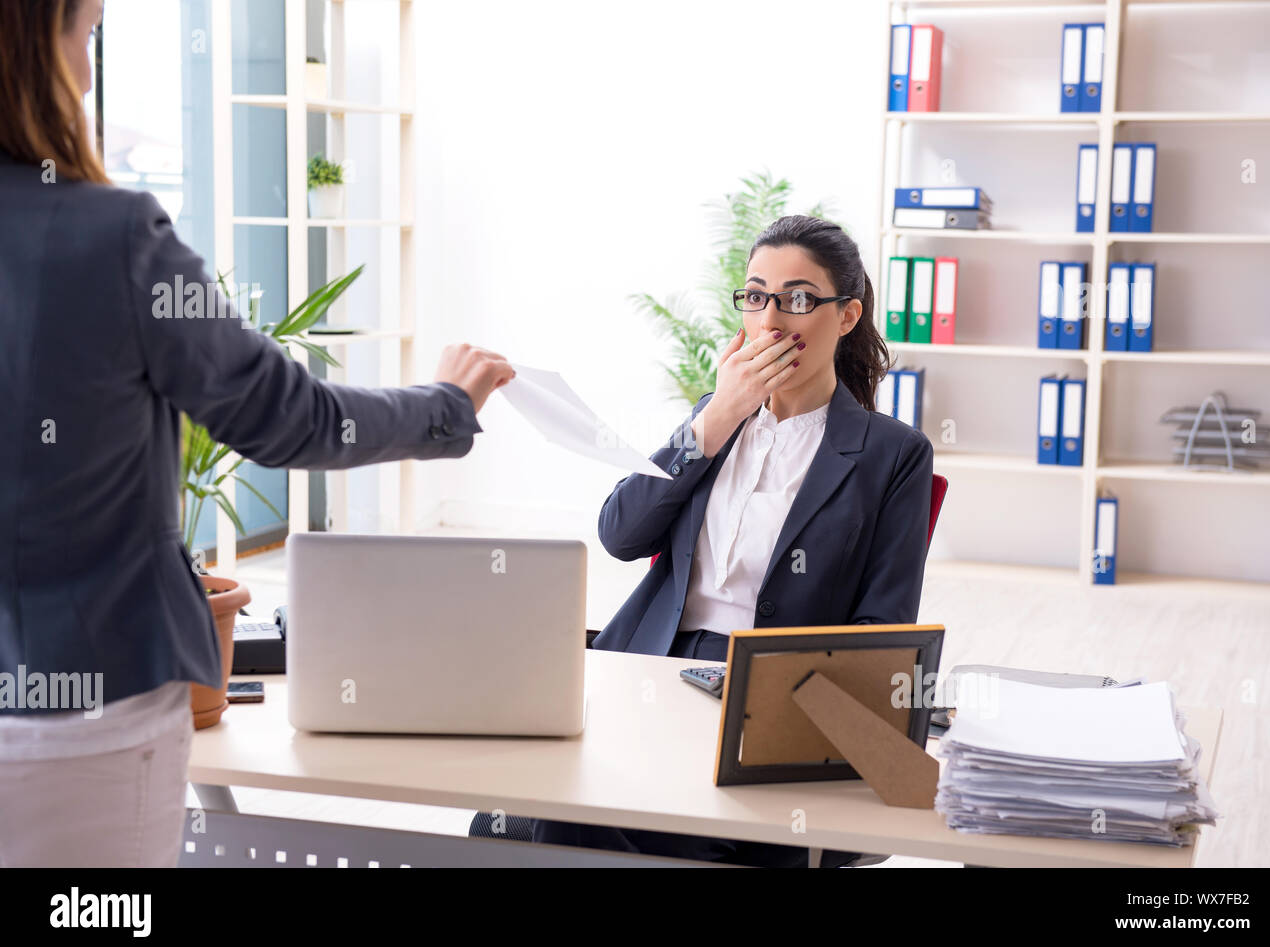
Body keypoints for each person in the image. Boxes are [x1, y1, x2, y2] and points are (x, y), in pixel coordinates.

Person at [0, 0, 514, 867]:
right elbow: (293, 419)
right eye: (84, 35)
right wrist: (448, 404)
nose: (86, 73)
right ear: (31, 44)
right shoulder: (116, 236)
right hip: (90, 729)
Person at [531, 214, 934, 866]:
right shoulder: (713, 419)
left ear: (847, 314)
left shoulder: (893, 454)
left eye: (799, 299)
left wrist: (785, 702)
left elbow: (881, 628)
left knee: (676, 825)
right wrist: (718, 416)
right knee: (577, 812)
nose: (772, 320)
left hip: (778, 691)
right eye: (756, 296)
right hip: (653, 668)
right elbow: (620, 533)